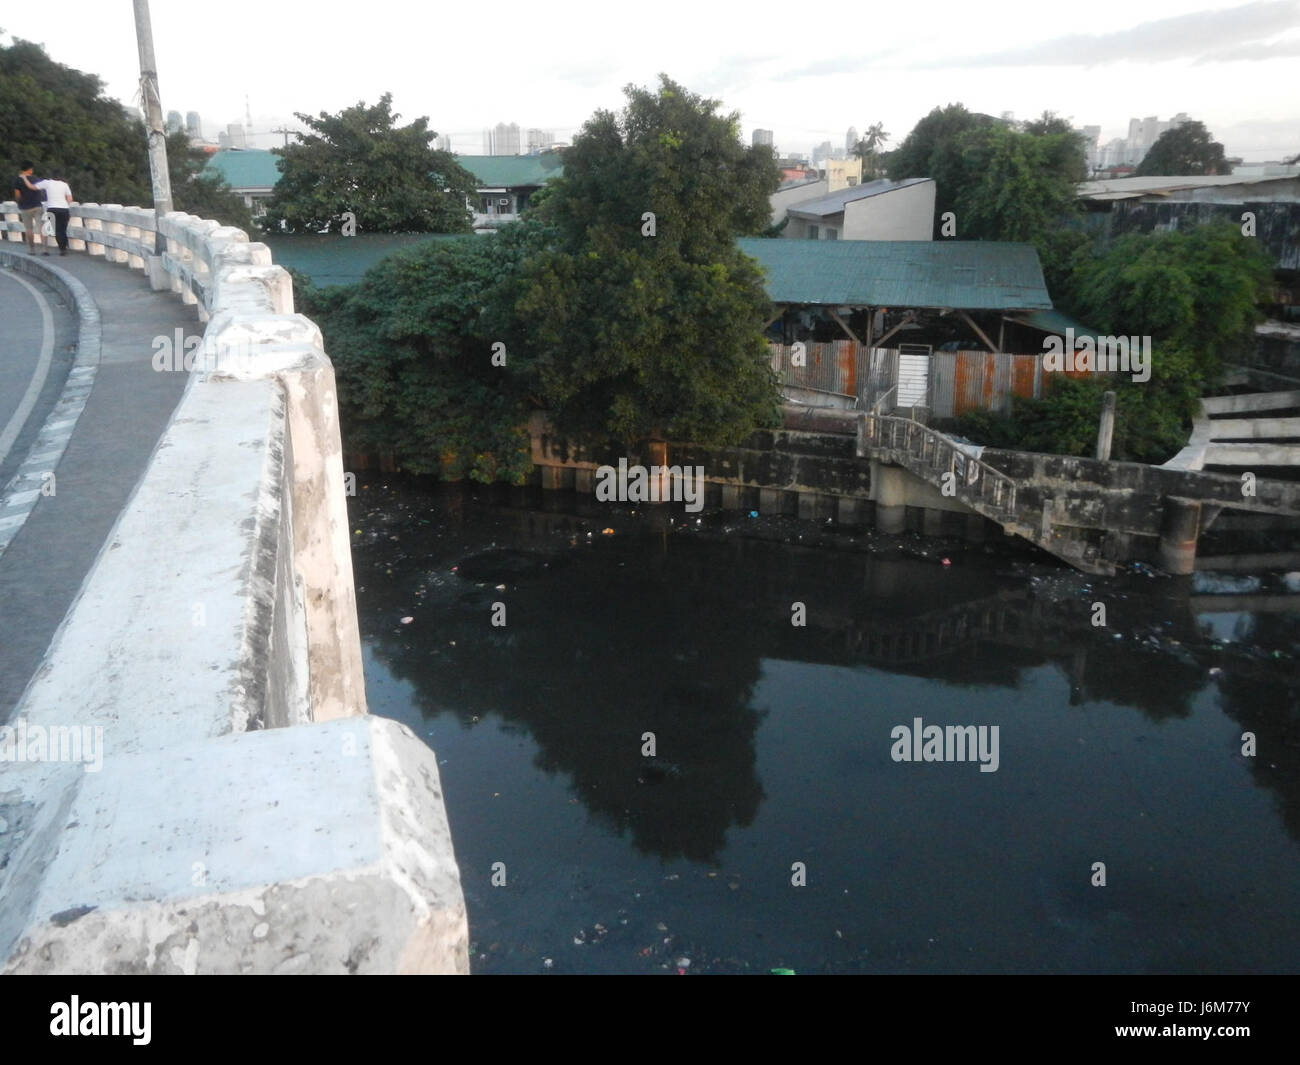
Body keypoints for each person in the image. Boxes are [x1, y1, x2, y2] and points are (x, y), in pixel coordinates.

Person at [36, 171, 75, 256]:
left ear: (52, 176)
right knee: (63, 230)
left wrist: (25, 179)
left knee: (57, 230)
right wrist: (65, 205)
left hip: (52, 209)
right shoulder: (65, 184)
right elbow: (70, 198)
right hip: (64, 209)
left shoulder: (47, 183)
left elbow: (34, 186)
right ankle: (63, 248)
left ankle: (62, 249)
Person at [12, 162, 46, 255]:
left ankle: (32, 250)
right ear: (30, 169)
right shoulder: (36, 179)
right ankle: (44, 249)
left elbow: (17, 194)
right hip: (37, 206)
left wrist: (19, 202)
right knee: (41, 227)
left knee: (29, 229)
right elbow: (40, 191)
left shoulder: (17, 180)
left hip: (25, 207)